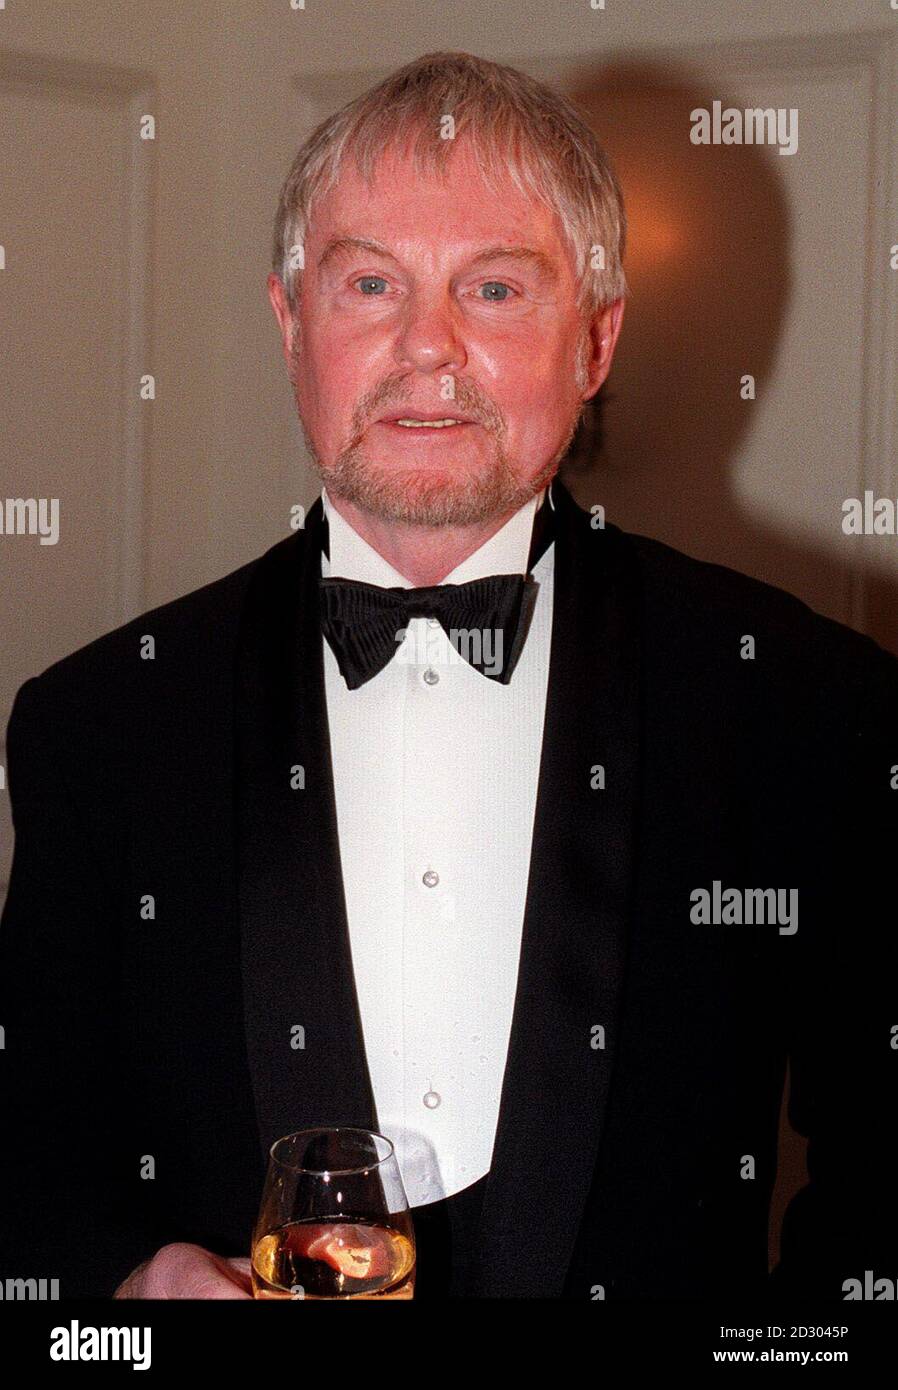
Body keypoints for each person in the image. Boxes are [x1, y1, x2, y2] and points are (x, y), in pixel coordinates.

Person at [1, 51, 895, 1301]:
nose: (428, 347)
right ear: (289, 320)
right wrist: (125, 1295)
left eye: (492, 287)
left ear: (594, 340)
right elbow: (31, 1163)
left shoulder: (805, 703)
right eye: (369, 282)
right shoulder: (96, 724)